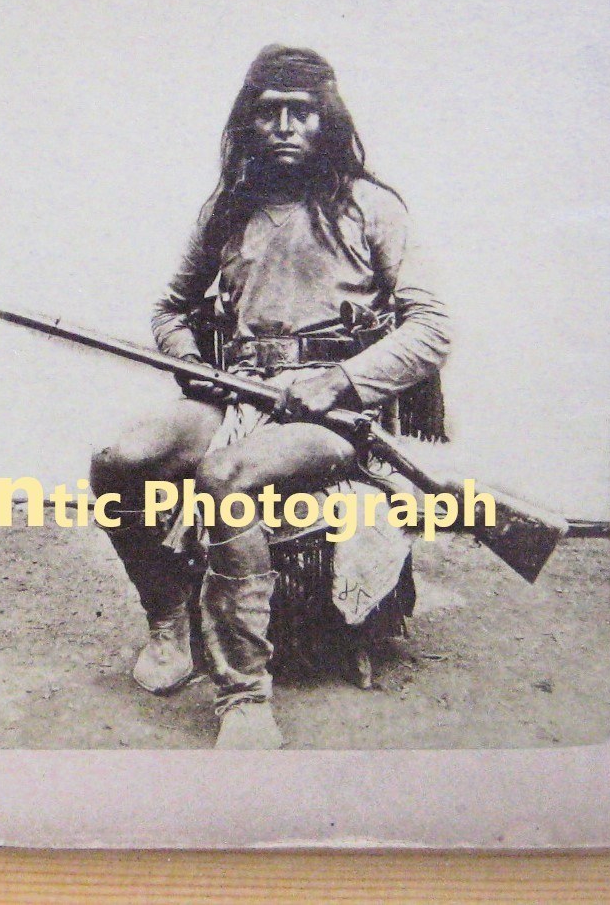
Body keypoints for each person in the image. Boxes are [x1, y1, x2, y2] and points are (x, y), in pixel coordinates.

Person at [88, 45, 450, 749]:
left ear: (326, 121)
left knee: (225, 477)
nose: (284, 126)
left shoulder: (372, 208)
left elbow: (432, 329)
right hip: (240, 397)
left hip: (333, 415)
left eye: (301, 112)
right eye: (269, 113)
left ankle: (244, 697)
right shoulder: (229, 208)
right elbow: (170, 308)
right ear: (248, 124)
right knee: (118, 460)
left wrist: (339, 380)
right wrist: (192, 361)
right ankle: (170, 622)